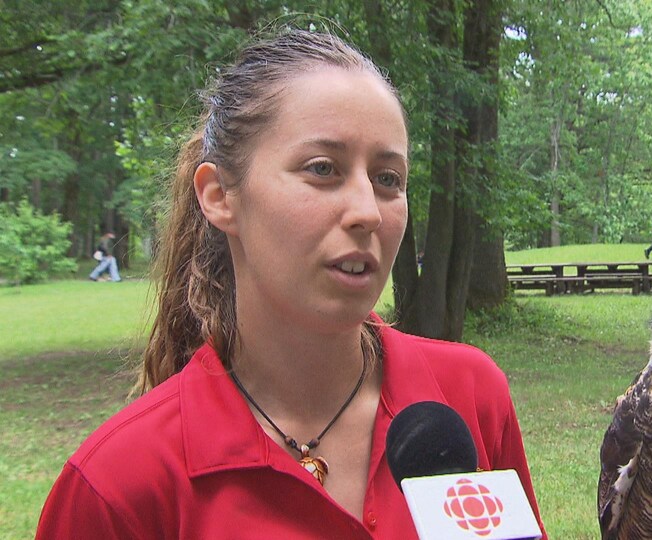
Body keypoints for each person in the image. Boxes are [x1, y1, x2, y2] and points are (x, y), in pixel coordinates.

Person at [37, 30, 546, 540]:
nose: (368, 211)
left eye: (388, 178)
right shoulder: (117, 487)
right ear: (219, 196)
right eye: (323, 169)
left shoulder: (469, 394)